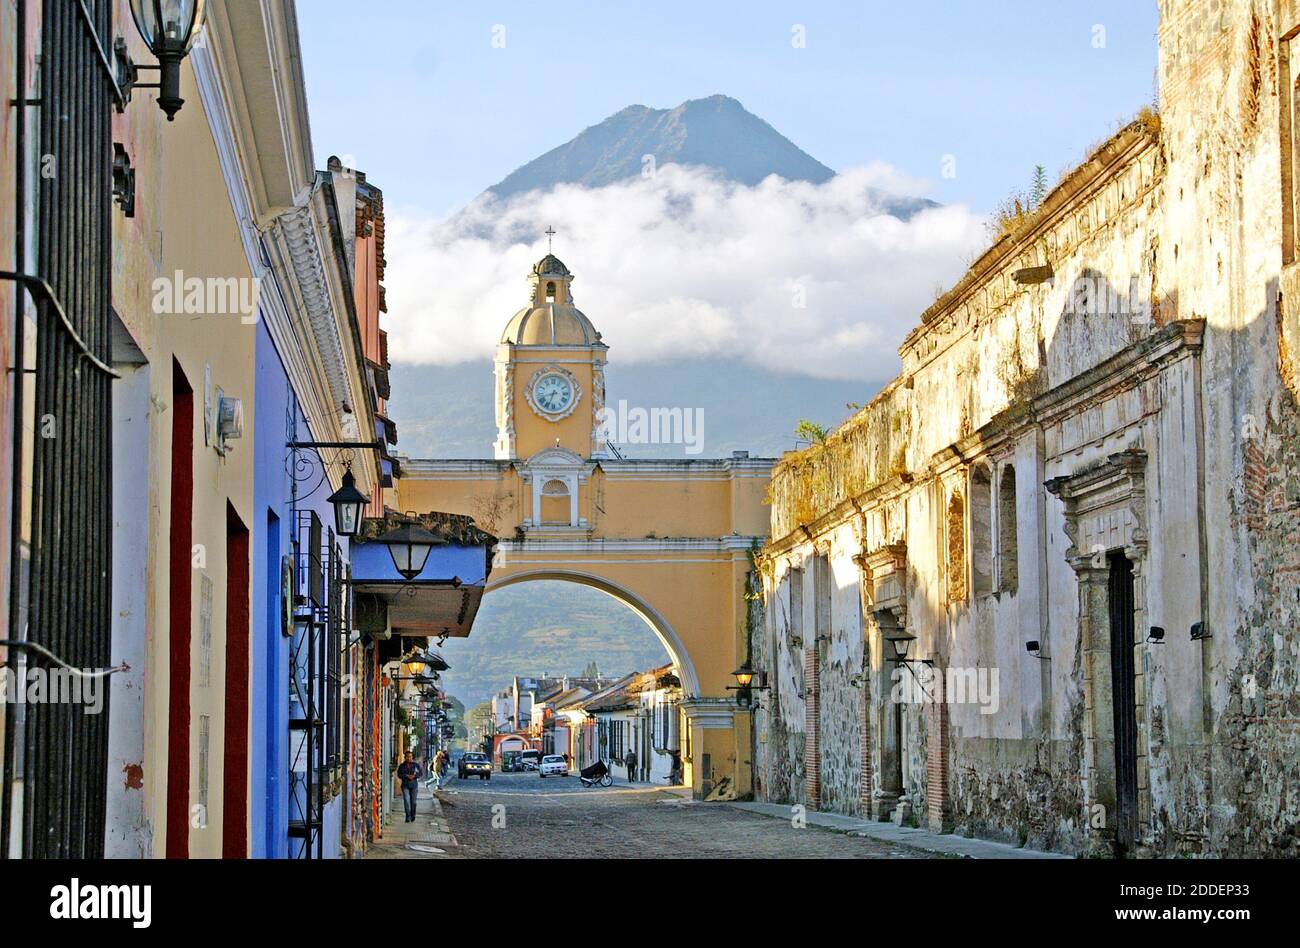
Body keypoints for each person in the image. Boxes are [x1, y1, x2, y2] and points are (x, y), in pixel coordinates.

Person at [396, 751, 424, 823]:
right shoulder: (402, 766)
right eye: (407, 756)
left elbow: (420, 773)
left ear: (412, 757)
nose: (409, 758)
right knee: (406, 801)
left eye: (410, 756)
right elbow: (399, 774)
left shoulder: (415, 765)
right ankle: (407, 817)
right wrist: (406, 776)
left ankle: (413, 815)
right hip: (405, 785)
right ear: (405, 757)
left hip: (414, 786)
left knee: (413, 802)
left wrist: (414, 776)